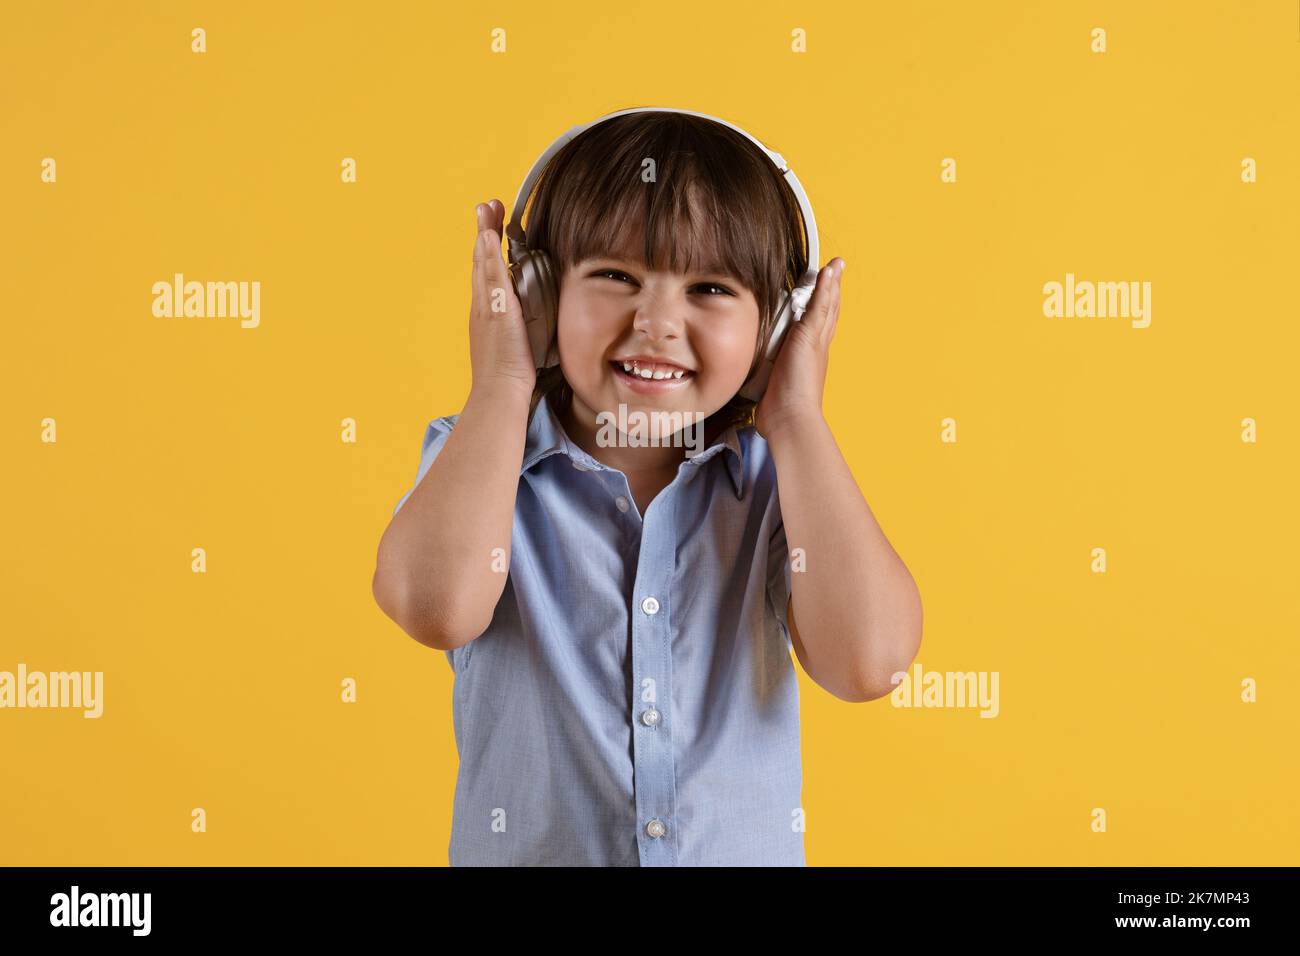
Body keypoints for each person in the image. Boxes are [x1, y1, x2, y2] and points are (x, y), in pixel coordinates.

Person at [372, 111, 922, 865]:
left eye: (709, 287)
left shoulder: (775, 483)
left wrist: (796, 419)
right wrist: (503, 376)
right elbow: (435, 608)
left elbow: (870, 664)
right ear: (535, 294)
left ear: (774, 329)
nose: (657, 321)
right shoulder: (482, 458)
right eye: (616, 276)